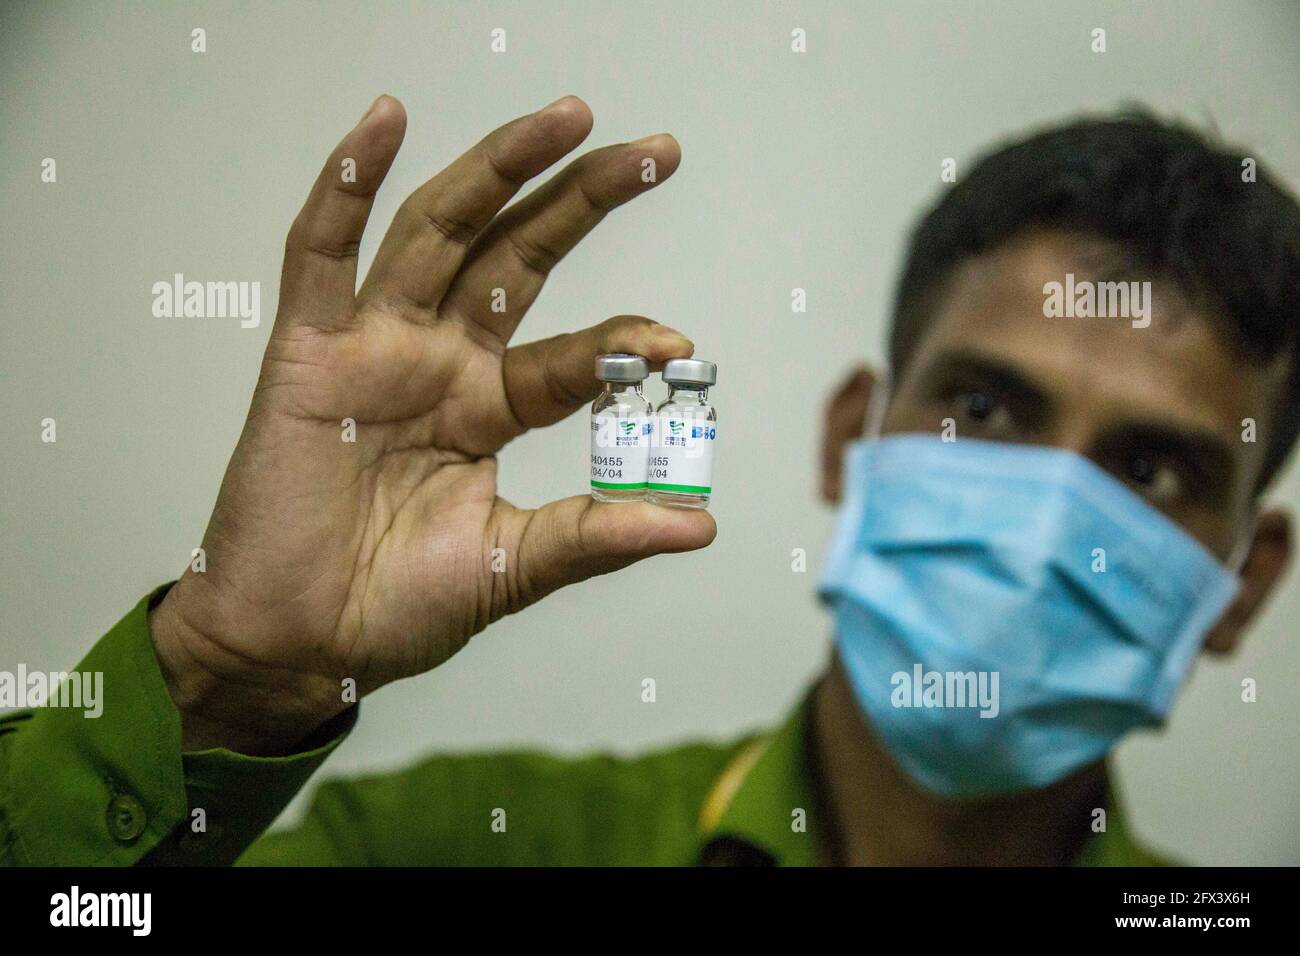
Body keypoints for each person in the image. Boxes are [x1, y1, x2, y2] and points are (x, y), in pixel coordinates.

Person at [2, 95, 1295, 866]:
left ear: (1244, 581)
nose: (1041, 525)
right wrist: (231, 680)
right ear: (853, 437)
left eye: (1154, 468)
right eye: (982, 405)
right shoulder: (451, 844)